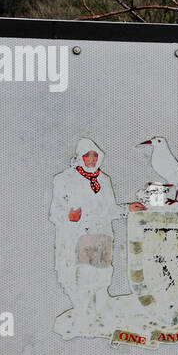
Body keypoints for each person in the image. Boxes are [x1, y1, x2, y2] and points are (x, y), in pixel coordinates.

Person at [50, 138, 121, 335]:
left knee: (100, 279)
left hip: (101, 236)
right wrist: (69, 216)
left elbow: (111, 210)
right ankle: (82, 317)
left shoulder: (103, 180)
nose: (91, 159)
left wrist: (128, 210)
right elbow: (55, 212)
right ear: (80, 157)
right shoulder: (65, 179)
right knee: (77, 279)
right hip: (77, 237)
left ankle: (100, 320)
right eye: (87, 155)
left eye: (95, 155)